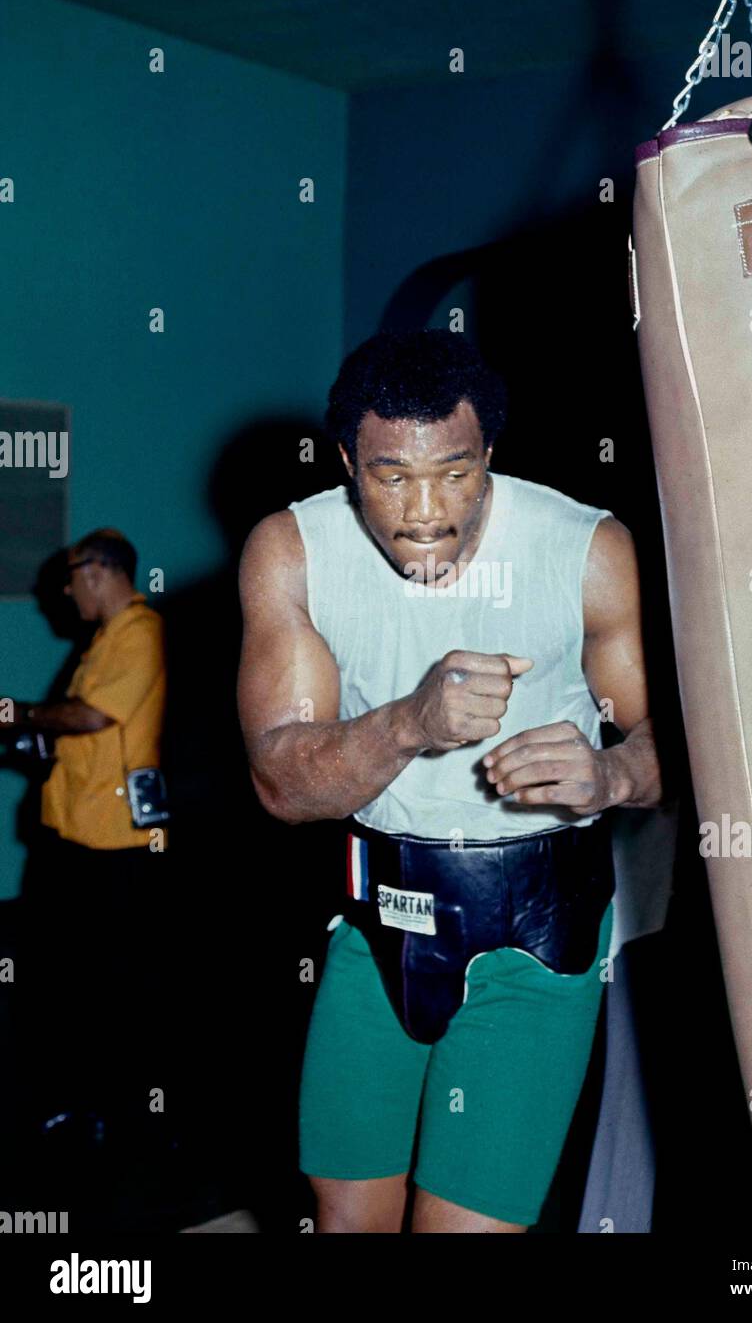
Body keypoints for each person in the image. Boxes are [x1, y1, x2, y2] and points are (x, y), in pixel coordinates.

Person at [237, 330, 662, 1233]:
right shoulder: (292, 550)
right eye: (391, 477)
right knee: (344, 1217)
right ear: (348, 460)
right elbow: (281, 785)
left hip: (536, 941)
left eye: (456, 473)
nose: (425, 511)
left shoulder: (582, 550)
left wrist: (612, 773)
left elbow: (683, 745)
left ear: (490, 458)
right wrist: (408, 723)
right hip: (376, 926)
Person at [1, 528, 171, 1156]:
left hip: (117, 845)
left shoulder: (140, 633)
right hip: (78, 837)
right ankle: (80, 1100)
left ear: (99, 571)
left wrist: (15, 713)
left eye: (73, 578)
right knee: (72, 974)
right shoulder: (106, 640)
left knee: (113, 980)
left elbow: (92, 715)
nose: (68, 591)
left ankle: (123, 1113)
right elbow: (84, 733)